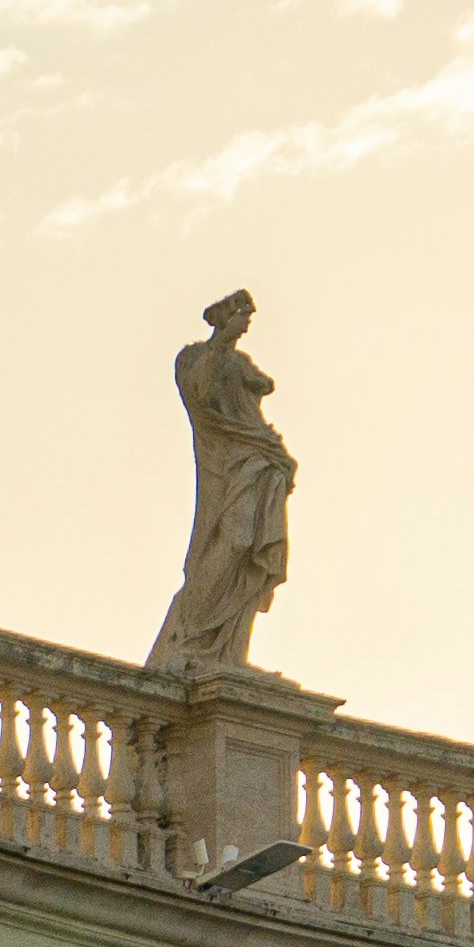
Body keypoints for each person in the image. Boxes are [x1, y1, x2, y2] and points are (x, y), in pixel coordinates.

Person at [146, 289, 297, 681]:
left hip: (261, 458)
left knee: (254, 557)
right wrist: (221, 343)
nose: (248, 322)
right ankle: (193, 639)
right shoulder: (193, 357)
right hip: (224, 460)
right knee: (233, 540)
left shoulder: (241, 362)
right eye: (242, 315)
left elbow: (261, 390)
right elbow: (200, 392)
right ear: (223, 317)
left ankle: (231, 652)